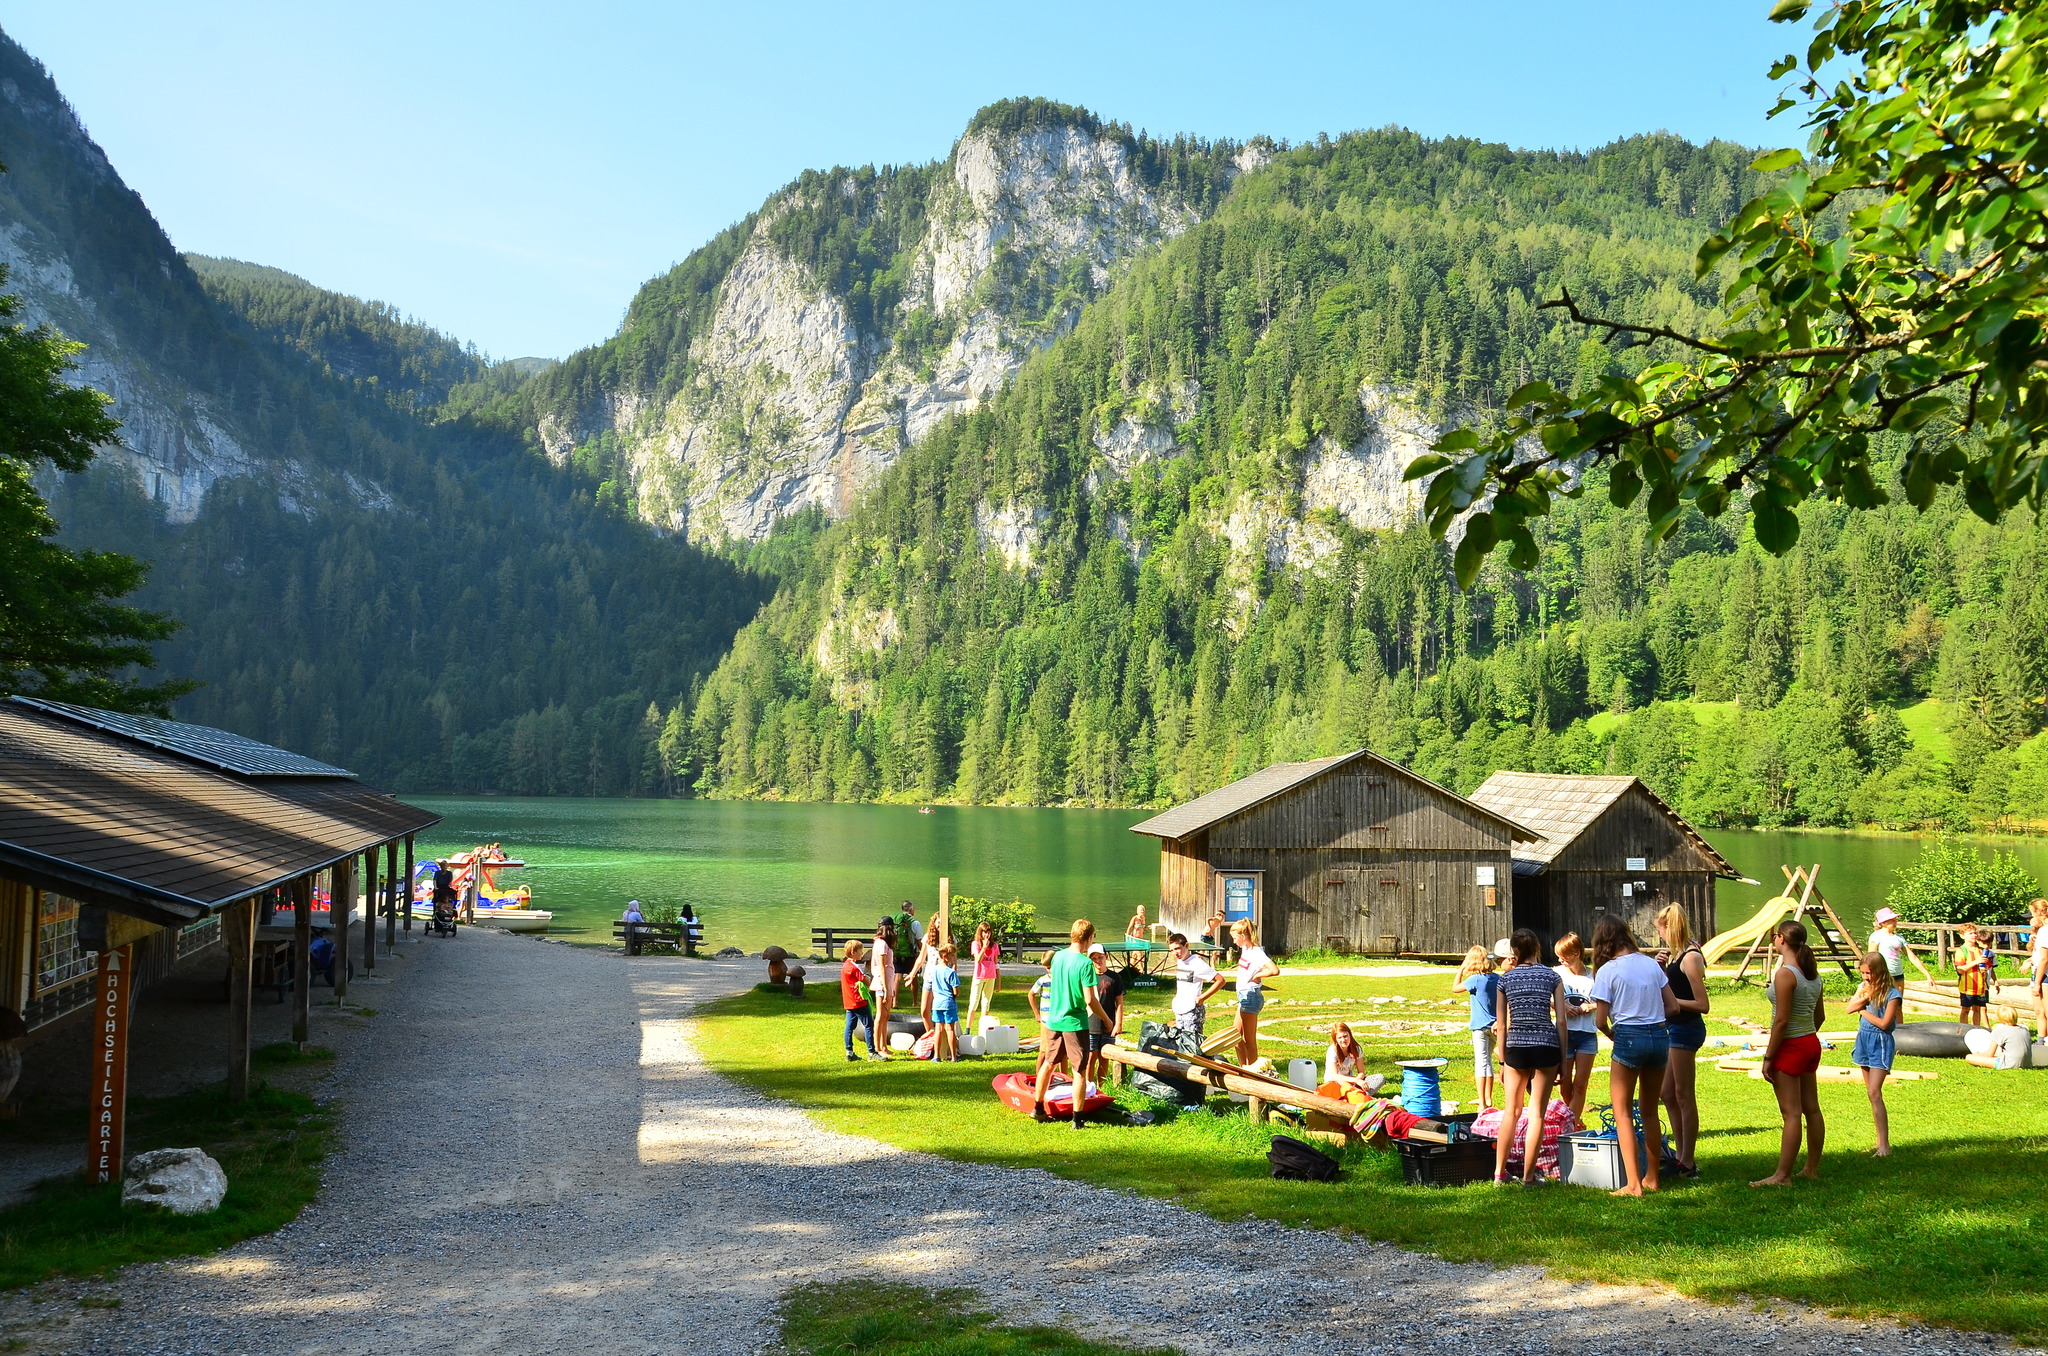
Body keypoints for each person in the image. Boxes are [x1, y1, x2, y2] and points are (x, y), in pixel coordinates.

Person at [1589, 915, 1678, 1197]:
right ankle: (1653, 1177)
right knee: (1650, 1111)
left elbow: (1600, 1021)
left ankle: (1633, 1184)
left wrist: (1614, 1034)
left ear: (1602, 941)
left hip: (1628, 1036)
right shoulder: (1651, 964)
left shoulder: (1607, 971)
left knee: (1623, 1112)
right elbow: (1673, 1007)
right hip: (1659, 1036)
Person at [1751, 919, 1827, 1188]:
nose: (1773, 939)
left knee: (1791, 1114)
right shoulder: (1813, 974)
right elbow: (1820, 1017)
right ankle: (1811, 1169)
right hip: (1809, 1042)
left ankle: (1782, 1176)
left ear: (1782, 939)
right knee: (1812, 1109)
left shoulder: (1786, 974)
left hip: (1791, 1046)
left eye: (1775, 935)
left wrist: (1769, 1057)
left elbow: (1781, 1020)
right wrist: (1806, 1035)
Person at [1494, 929, 1567, 1185]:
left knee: (1511, 1112)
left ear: (1514, 952)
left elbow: (1501, 1025)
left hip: (1516, 1045)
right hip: (1546, 1045)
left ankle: (1499, 1174)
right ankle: (1528, 1177)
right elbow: (1561, 1021)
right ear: (1538, 947)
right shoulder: (1553, 976)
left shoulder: (1505, 980)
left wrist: (1502, 1060)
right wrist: (1564, 1061)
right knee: (1536, 1113)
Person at [1033, 920, 1112, 1128]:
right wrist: (1106, 1019)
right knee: (1080, 1070)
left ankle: (1037, 1108)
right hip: (1075, 1023)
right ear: (1089, 938)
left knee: (1049, 1063)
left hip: (1054, 1020)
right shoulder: (1085, 963)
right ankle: (1077, 1119)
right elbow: (1090, 1000)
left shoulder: (1058, 956)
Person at [1655, 904, 1710, 1179]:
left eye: (1660, 930)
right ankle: (1679, 1155)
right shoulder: (1677, 955)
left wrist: (1673, 1003)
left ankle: (1688, 1161)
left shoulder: (1690, 957)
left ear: (1669, 927)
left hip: (1686, 1030)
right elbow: (1674, 989)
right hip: (1673, 1029)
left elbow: (1702, 1003)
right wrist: (1663, 971)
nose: (1660, 935)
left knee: (1684, 1095)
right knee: (1667, 1093)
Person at [1844, 951, 1901, 1154]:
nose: (1866, 977)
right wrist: (1865, 996)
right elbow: (1848, 1008)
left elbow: (1885, 1024)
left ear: (1880, 971)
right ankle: (1879, 1142)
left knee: (1874, 1092)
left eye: (1870, 973)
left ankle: (1885, 1146)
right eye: (1863, 973)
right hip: (1864, 1040)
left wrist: (1863, 1010)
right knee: (1871, 1094)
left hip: (1880, 1042)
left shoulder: (1892, 994)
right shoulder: (1864, 988)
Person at [1552, 932, 1599, 1120]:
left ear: (1576, 953)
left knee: (1581, 1084)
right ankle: (1573, 1119)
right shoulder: (1557, 973)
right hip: (1565, 1033)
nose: (1560, 960)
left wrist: (1591, 1006)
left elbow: (1605, 1001)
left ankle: (1571, 1123)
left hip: (1587, 1033)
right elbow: (1548, 1000)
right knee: (1564, 1082)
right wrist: (1564, 1006)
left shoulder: (1594, 975)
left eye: (1564, 956)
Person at [1454, 945, 1501, 1109]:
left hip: (1480, 1027)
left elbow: (1455, 988)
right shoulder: (1497, 978)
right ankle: (1489, 1098)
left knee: (1482, 1063)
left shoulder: (1474, 980)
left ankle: (1482, 1102)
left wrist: (1460, 969)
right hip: (1496, 1026)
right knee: (1489, 1062)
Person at [1085, 943, 1137, 1088]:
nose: (1098, 961)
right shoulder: (1087, 977)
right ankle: (1088, 1086)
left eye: (1100, 957)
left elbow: (1119, 1002)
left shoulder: (1114, 978)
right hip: (1091, 1024)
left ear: (1106, 957)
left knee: (1104, 1057)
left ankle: (1101, 1086)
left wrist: (1118, 1024)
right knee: (1091, 1057)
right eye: (1094, 959)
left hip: (1109, 1024)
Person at [1231, 920, 1278, 1067]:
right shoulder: (1246, 949)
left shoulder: (1257, 952)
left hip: (1250, 996)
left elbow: (1274, 970)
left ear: (1243, 935)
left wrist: (1257, 976)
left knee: (1249, 1040)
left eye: (1234, 937)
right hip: (1243, 996)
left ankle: (1253, 1072)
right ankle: (1243, 1068)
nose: (1233, 941)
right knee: (1235, 1037)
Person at [1167, 932, 1225, 1043]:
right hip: (1180, 1009)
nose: (1175, 953)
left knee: (1193, 1044)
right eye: (1172, 950)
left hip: (1192, 1010)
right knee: (1181, 1043)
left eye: (1178, 948)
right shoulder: (1180, 961)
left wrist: (1202, 998)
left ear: (1187, 946)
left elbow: (1220, 980)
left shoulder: (1197, 963)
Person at [840, 940, 882, 1061]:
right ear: (853, 952)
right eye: (860, 951)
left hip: (849, 1002)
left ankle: (849, 1052)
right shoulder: (854, 968)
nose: (862, 953)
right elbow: (866, 981)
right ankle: (871, 1052)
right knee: (869, 1025)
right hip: (859, 1001)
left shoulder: (845, 966)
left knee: (849, 1026)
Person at [1868, 906, 1931, 986]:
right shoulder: (1876, 936)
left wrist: (1927, 975)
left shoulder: (1899, 937)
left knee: (1898, 998)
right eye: (1891, 920)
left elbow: (1912, 957)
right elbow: (1871, 957)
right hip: (1883, 974)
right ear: (1883, 923)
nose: (1895, 922)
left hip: (1898, 974)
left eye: (1895, 919)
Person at [1964, 1004, 2032, 1071]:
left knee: (1969, 1057)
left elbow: (1989, 1054)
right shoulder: (2024, 1030)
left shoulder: (2000, 1030)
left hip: (2009, 1064)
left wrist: (1977, 1054)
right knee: (1999, 1054)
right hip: (2027, 1064)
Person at [1955, 923, 1993, 1029]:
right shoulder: (1961, 950)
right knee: (1965, 1009)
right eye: (1970, 933)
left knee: (1978, 1009)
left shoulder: (1980, 950)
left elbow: (1986, 965)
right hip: (1967, 987)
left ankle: (1976, 1029)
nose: (1974, 935)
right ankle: (1963, 1029)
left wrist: (1984, 969)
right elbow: (1960, 970)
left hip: (1980, 986)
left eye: (1975, 933)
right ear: (1963, 935)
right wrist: (1976, 962)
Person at [929, 943, 962, 1062]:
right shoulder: (950, 973)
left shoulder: (935, 970)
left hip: (936, 1003)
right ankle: (953, 1057)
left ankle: (936, 1056)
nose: (954, 958)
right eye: (952, 956)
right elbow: (956, 991)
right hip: (948, 1003)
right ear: (945, 956)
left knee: (938, 1029)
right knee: (950, 1029)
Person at [967, 922, 1001, 1033]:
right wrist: (984, 947)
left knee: (986, 1003)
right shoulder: (975, 944)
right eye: (984, 932)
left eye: (988, 932)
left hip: (991, 976)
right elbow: (978, 959)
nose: (987, 935)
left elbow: (996, 963)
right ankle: (968, 1029)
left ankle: (983, 1029)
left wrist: (999, 979)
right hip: (979, 976)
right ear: (980, 933)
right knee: (974, 1002)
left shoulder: (994, 945)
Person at [870, 917, 897, 1053]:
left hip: (887, 982)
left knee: (886, 1016)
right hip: (882, 983)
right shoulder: (881, 944)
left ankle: (884, 1046)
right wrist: (886, 988)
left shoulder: (884, 944)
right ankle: (877, 1047)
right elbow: (881, 966)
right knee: (880, 1015)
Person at [1322, 1021, 1369, 1096]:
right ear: (1335, 1039)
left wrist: (1358, 1080)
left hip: (1351, 1080)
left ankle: (1356, 1093)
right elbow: (1335, 1076)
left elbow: (1361, 1072)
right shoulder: (1332, 1051)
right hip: (1335, 1082)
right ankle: (1356, 1094)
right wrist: (1356, 1080)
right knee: (1346, 1087)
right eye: (1339, 1038)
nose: (1343, 1040)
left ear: (1350, 1035)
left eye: (1345, 1036)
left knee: (1379, 1078)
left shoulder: (1356, 1048)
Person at [2028, 898, 2048, 1038]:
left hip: (2044, 974)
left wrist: (2037, 983)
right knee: (2039, 1010)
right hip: (2038, 972)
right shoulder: (2041, 931)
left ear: (2038, 912)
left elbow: (2044, 958)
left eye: (2032, 912)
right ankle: (2041, 1040)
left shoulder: (2045, 931)